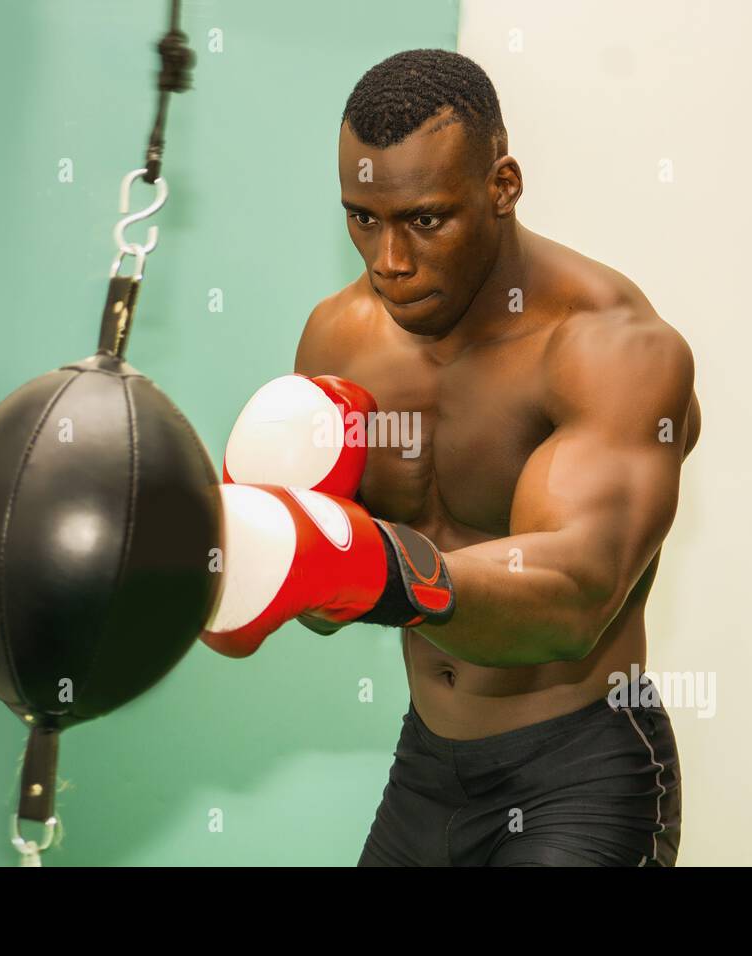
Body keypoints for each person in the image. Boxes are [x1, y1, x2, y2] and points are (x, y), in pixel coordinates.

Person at [202, 48, 701, 866]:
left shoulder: (609, 347)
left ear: (501, 186)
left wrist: (364, 563)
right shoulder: (340, 338)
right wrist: (252, 555)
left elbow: (575, 598)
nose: (390, 263)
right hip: (427, 769)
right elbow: (331, 596)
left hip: (578, 775)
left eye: (425, 220)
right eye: (363, 218)